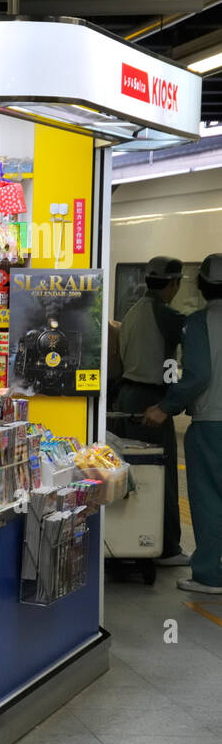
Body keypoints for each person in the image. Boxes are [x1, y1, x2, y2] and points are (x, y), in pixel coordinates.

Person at [145, 253, 222, 594]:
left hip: (211, 424)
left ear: (202, 287)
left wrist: (166, 406)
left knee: (207, 499)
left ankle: (208, 574)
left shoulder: (200, 322)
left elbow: (198, 375)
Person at [118, 256, 188, 566]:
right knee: (162, 473)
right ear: (173, 283)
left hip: (127, 396)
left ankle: (132, 542)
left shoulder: (132, 312)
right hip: (151, 402)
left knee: (134, 473)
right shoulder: (166, 314)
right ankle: (167, 548)